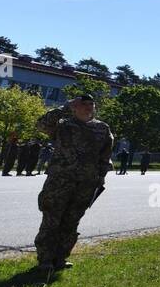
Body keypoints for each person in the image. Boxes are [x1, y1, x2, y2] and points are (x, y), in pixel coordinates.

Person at [33, 94, 113, 275]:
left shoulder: (102, 128)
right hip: (59, 182)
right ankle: (45, 260)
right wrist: (65, 107)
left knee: (71, 221)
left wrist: (100, 178)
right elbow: (41, 125)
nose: (87, 108)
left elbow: (105, 156)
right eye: (82, 104)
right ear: (74, 107)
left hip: (86, 184)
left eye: (91, 104)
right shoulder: (63, 125)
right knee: (52, 219)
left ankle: (60, 258)